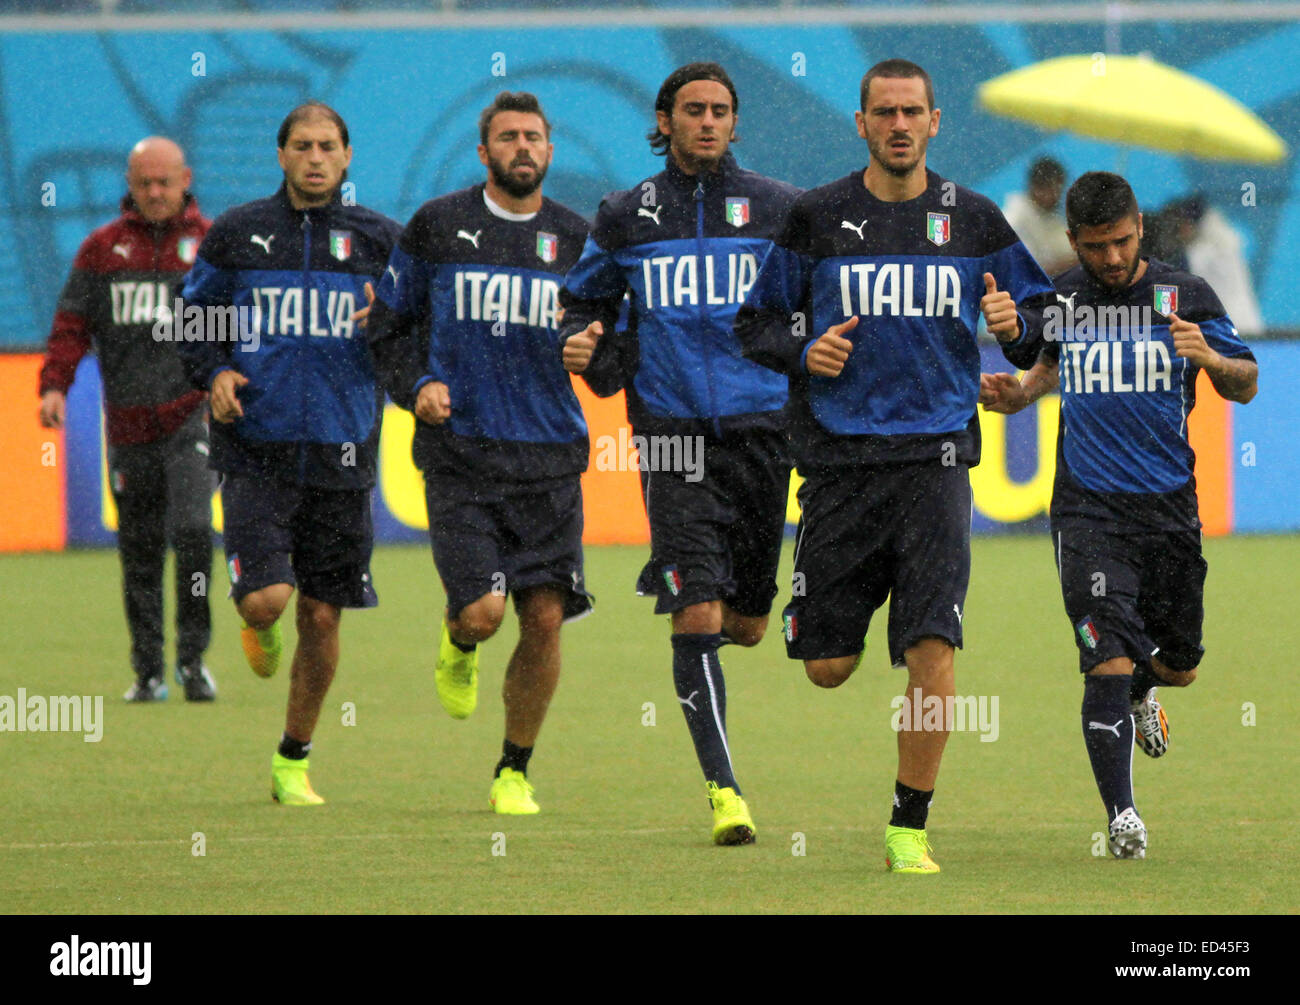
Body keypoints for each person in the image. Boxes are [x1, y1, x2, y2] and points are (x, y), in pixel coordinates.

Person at [734, 59, 1055, 873]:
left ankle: (909, 823)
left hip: (938, 460)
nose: (900, 124)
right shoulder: (817, 216)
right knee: (827, 666)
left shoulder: (975, 220)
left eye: (914, 110)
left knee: (932, 647)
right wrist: (807, 351)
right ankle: (862, 616)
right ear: (863, 123)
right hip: (840, 466)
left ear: (935, 122)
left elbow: (1040, 331)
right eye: (885, 112)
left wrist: (1015, 328)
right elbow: (754, 326)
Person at [980, 171, 1257, 859]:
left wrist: (1210, 356)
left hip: (1169, 509)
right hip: (1088, 511)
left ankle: (1144, 689)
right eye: (1096, 246)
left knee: (1182, 663)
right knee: (1103, 656)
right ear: (1073, 240)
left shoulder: (1184, 295)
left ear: (1139, 225)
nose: (1110, 258)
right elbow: (1044, 367)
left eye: (1122, 241)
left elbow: (1246, 382)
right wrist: (1017, 395)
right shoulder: (1064, 299)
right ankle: (1123, 816)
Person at [561, 63, 801, 845]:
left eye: (720, 110)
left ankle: (710, 620)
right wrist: (597, 351)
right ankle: (725, 791)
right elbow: (585, 303)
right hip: (670, 438)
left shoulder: (778, 209)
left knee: (748, 622)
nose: (706, 121)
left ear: (736, 122)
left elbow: (819, 300)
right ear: (663, 120)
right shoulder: (627, 214)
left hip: (764, 432)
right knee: (694, 610)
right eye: (691, 110)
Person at [366, 92, 592, 816]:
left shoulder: (578, 240)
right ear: (483, 151)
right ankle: (458, 636)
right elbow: (388, 329)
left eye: (533, 137)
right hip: (462, 454)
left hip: (551, 457)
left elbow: (613, 345)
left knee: (546, 618)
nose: (521, 147)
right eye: (507, 137)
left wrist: (601, 348)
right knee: (486, 613)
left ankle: (514, 769)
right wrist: (418, 385)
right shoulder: (438, 225)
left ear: (550, 150)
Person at [176, 102, 400, 805]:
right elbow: (195, 317)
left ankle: (293, 758)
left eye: (327, 145)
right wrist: (213, 371)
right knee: (269, 601)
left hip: (344, 452)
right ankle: (254, 618)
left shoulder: (380, 242)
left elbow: (420, 323)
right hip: (256, 449)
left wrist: (390, 324)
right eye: (301, 145)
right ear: (280, 156)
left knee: (324, 615)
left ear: (347, 155)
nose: (314, 157)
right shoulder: (239, 233)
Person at [39, 137, 217, 703]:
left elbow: (239, 323)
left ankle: (193, 661)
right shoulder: (101, 250)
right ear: (130, 183)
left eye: (165, 181)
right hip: (128, 426)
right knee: (139, 550)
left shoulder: (211, 246)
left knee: (192, 532)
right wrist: (54, 387)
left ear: (186, 178)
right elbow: (71, 326)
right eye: (145, 183)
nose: (156, 193)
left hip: (190, 418)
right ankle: (148, 670)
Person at [1002, 157, 1075, 276]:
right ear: (1037, 187)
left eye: (1060, 189)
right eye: (1054, 189)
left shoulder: (1051, 215)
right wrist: (1076, 260)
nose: (1057, 195)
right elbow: (1024, 271)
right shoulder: (1014, 219)